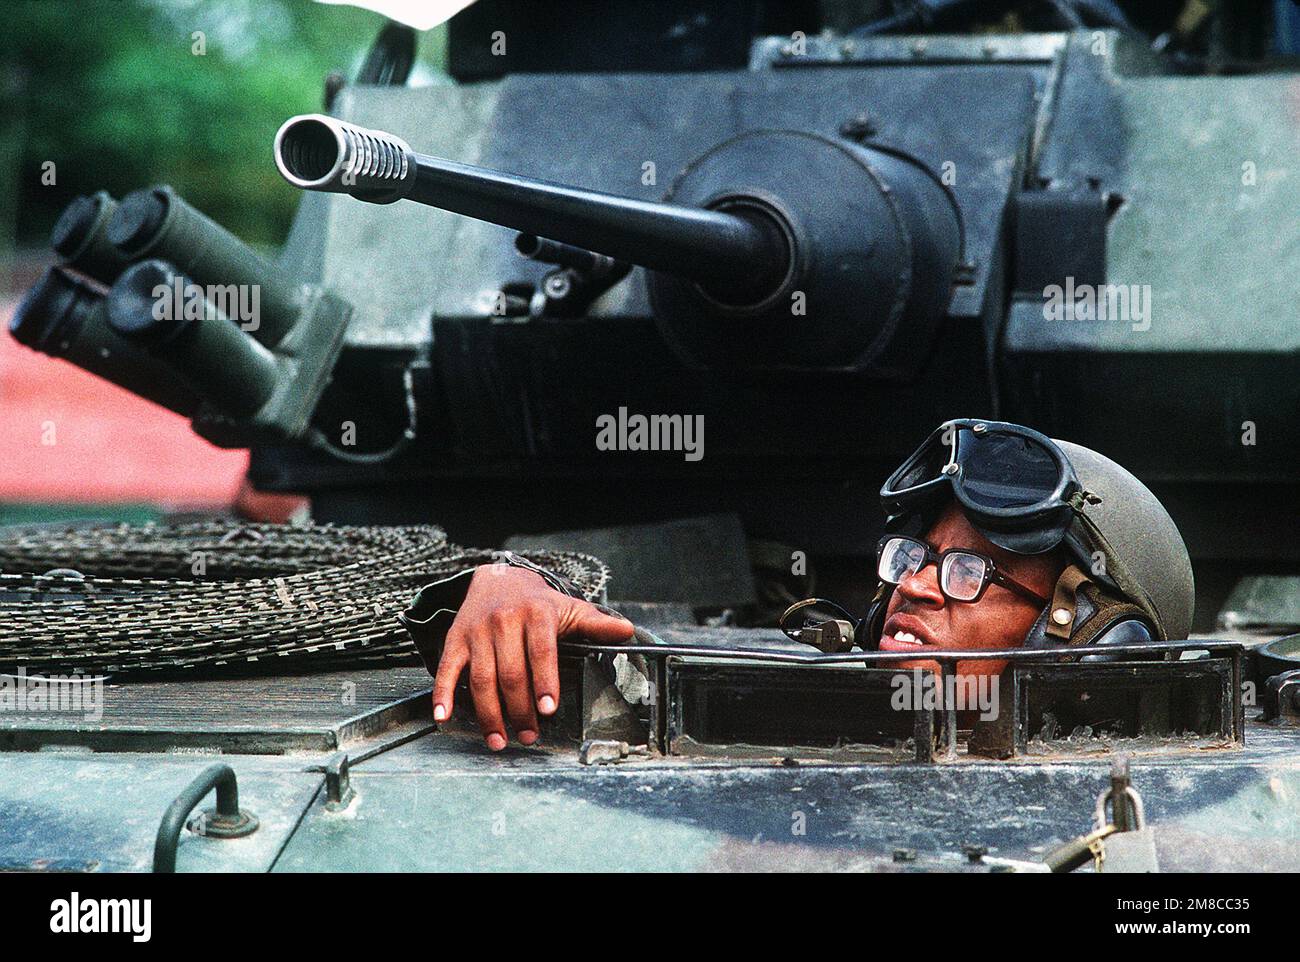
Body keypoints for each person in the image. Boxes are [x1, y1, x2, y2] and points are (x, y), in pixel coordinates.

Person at [404, 419, 1194, 749]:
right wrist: (510, 587)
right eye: (914, 559)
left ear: (1093, 644)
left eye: (969, 573)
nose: (915, 587)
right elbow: (653, 666)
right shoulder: (782, 715)